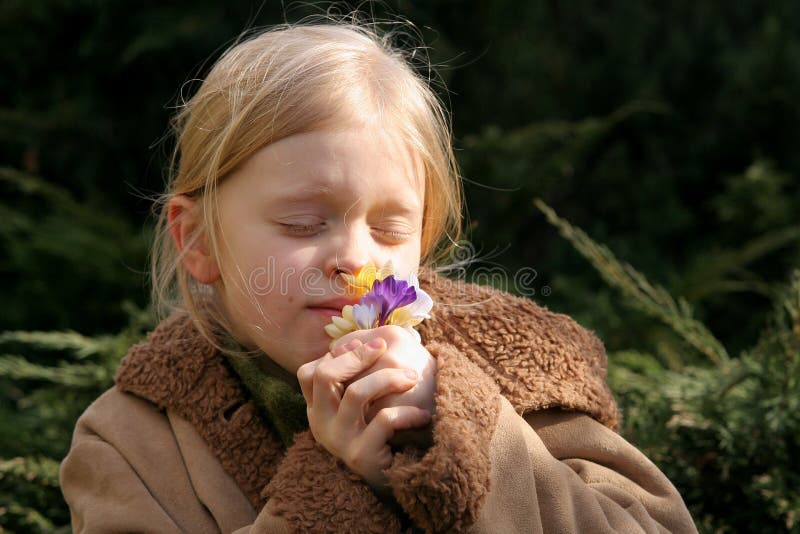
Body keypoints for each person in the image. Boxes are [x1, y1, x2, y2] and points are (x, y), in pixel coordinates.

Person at [59, 20, 697, 533]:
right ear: (197, 241)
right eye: (305, 224)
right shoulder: (130, 443)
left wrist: (461, 429)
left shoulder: (521, 370)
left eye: (391, 230)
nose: (356, 261)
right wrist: (336, 485)